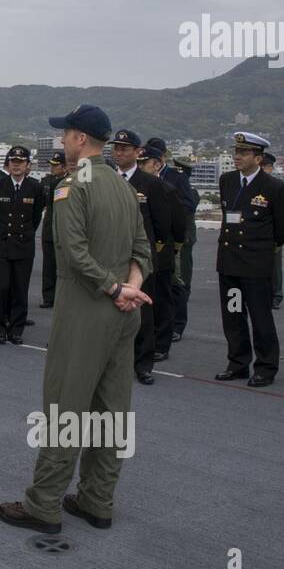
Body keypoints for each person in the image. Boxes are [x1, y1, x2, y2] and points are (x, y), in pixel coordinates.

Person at [0, 105, 153, 534]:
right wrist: (131, 286)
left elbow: (72, 252)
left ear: (81, 139)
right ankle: (96, 500)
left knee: (67, 407)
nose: (62, 142)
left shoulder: (73, 185)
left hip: (87, 309)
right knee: (111, 409)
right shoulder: (123, 187)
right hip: (125, 314)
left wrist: (113, 288)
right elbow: (143, 248)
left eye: (65, 135)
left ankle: (44, 504)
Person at [214, 132, 284, 387]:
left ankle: (266, 367)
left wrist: (263, 250)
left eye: (244, 153)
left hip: (256, 266)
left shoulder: (274, 187)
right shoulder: (227, 180)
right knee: (233, 315)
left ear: (258, 158)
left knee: (261, 318)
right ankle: (237, 363)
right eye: (236, 152)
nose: (237, 157)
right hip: (230, 263)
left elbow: (283, 228)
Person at [110, 130, 173, 384]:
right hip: (111, 257)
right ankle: (114, 362)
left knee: (143, 315)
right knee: (112, 313)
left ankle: (143, 364)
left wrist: (149, 256)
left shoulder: (151, 184)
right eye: (116, 148)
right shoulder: (106, 181)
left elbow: (162, 226)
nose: (119, 152)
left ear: (138, 152)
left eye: (125, 148)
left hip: (140, 259)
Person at [0, 146, 43, 345]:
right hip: (1, 243)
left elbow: (35, 219)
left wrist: (23, 233)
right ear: (8, 165)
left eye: (20, 162)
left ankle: (16, 329)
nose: (16, 165)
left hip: (24, 245)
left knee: (20, 288)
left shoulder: (35, 187)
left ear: (27, 165)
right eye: (13, 162)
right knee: (0, 287)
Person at [137, 140, 187, 363]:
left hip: (162, 253)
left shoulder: (168, 188)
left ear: (156, 165)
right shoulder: (136, 188)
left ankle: (162, 344)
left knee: (163, 299)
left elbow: (178, 225)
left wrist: (171, 248)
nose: (140, 166)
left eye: (144, 162)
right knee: (145, 302)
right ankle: (143, 343)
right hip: (142, 254)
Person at [160, 152, 199, 340]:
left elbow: (187, 208)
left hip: (182, 236)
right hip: (167, 238)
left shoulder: (188, 190)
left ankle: (178, 322)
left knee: (181, 275)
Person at [38, 151, 67, 308]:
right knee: (48, 264)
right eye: (52, 164)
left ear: (63, 166)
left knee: (63, 264)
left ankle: (63, 296)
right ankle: (49, 296)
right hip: (49, 226)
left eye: (56, 165)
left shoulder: (69, 181)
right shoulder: (46, 182)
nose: (52, 167)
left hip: (64, 225)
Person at [260, 152, 284, 308]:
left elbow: (283, 216)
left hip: (272, 234)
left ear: (270, 168)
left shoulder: (276, 187)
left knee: (274, 267)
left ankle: (276, 295)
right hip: (256, 234)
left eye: (265, 167)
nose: (263, 169)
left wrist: (278, 238)